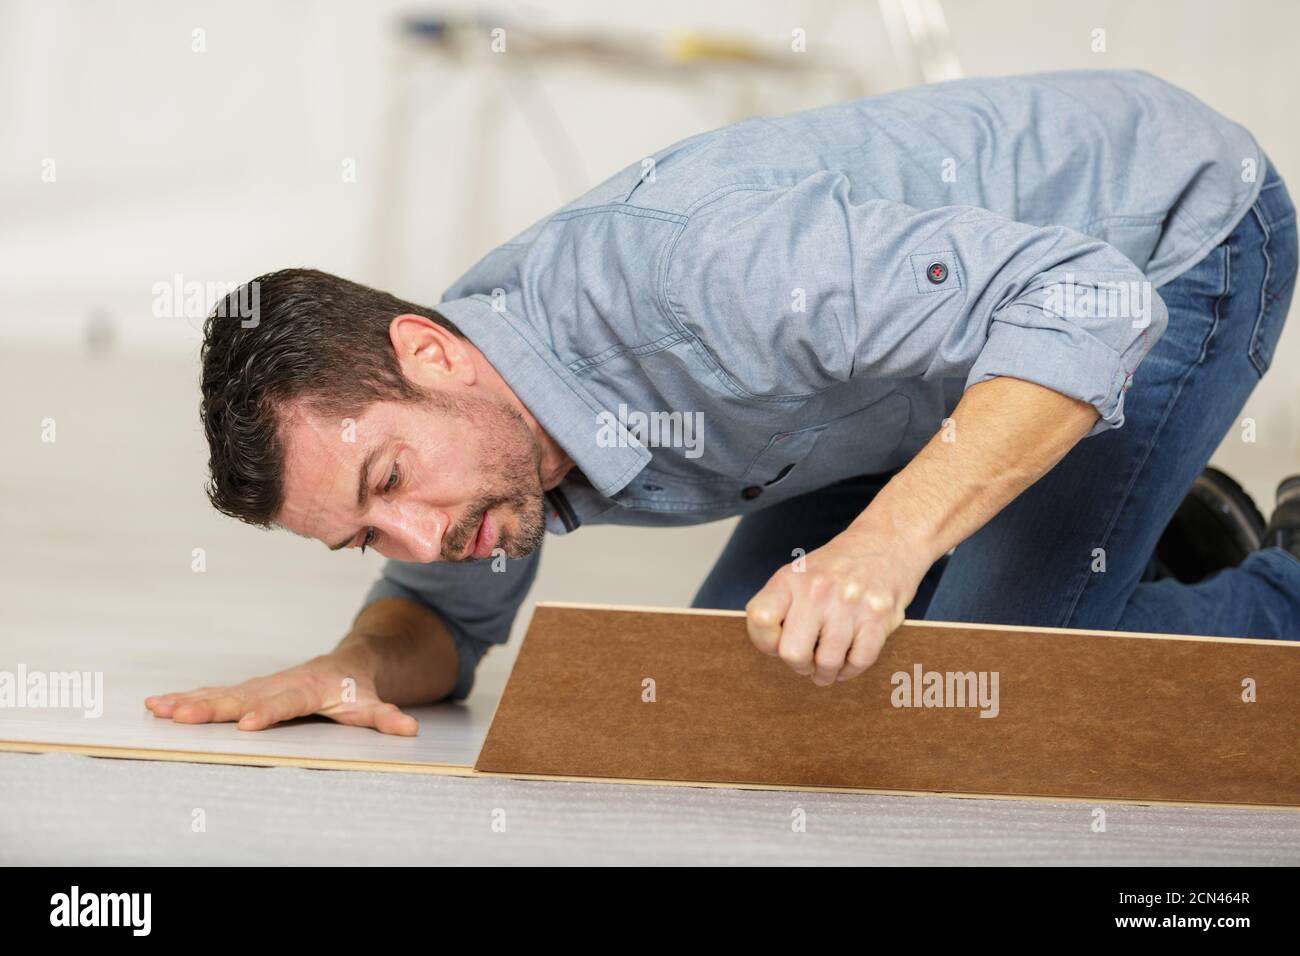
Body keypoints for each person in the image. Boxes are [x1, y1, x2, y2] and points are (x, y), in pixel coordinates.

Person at [147, 70, 1298, 736]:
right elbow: (440, 626)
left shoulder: (705, 269)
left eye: (387, 485)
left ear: (429, 353)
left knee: (963, 697)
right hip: (907, 366)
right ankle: (1146, 517)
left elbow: (1081, 300)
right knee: (739, 700)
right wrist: (353, 661)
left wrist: (886, 545)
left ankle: (1279, 575)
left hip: (1149, 246)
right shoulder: (465, 433)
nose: (413, 539)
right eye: (364, 535)